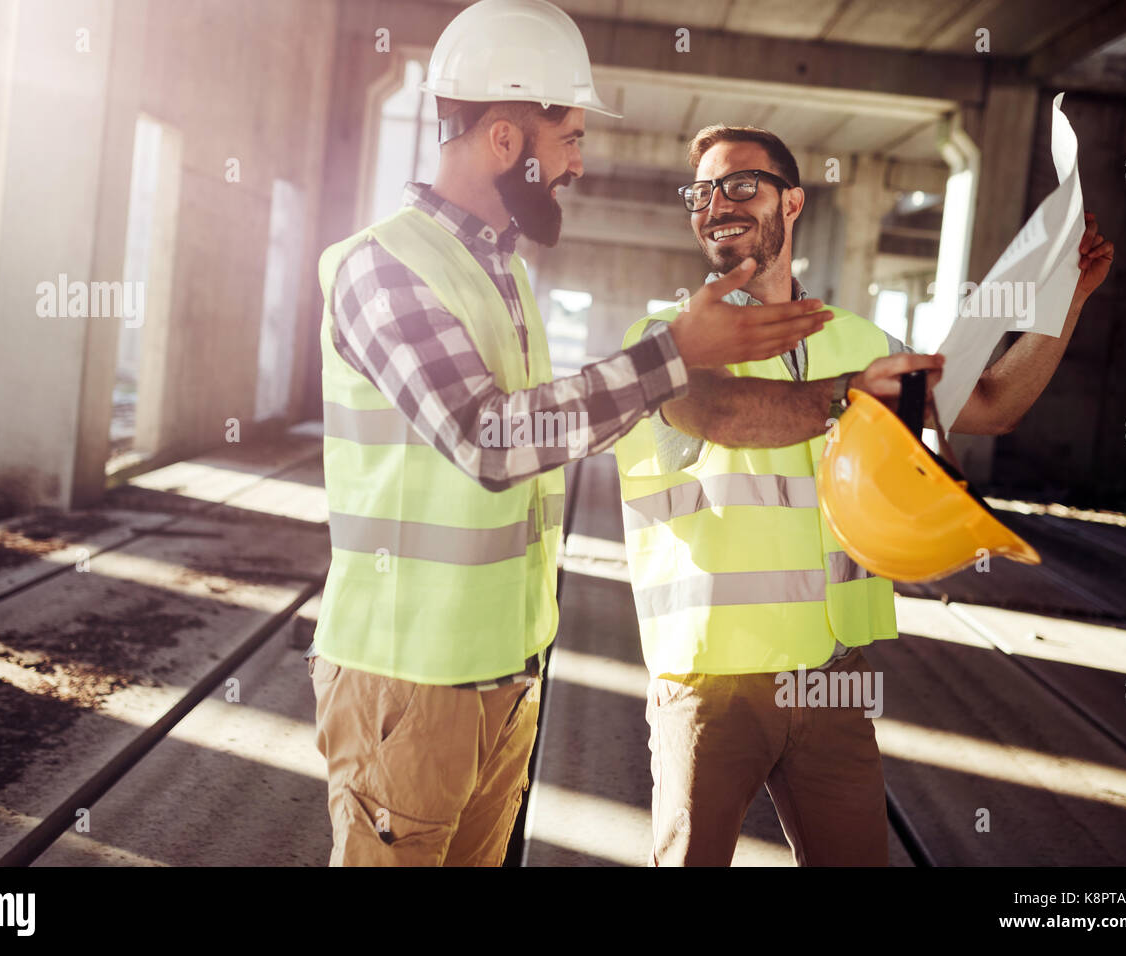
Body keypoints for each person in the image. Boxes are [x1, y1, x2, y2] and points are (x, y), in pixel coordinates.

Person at [306, 0, 844, 867]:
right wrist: (673, 356)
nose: (580, 165)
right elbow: (486, 439)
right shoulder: (383, 265)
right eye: (570, 138)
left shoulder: (507, 274)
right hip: (406, 680)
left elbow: (546, 431)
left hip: (503, 676)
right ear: (509, 139)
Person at [614, 124, 1114, 866]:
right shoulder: (663, 339)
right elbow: (721, 414)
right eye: (702, 192)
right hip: (712, 684)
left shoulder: (859, 340)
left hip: (831, 680)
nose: (716, 203)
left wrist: (1067, 300)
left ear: (792, 202)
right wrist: (849, 396)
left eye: (740, 185)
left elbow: (995, 403)